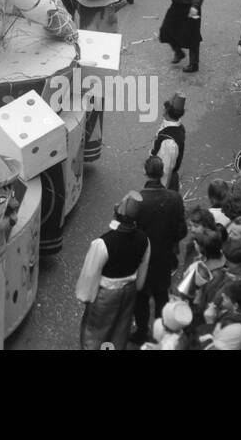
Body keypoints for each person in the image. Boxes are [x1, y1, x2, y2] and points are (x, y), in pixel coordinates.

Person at [75, 192, 150, 350]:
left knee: (95, 334)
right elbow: (143, 268)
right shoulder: (144, 239)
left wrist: (85, 296)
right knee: (120, 331)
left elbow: (89, 275)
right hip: (129, 291)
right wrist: (136, 287)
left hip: (106, 295)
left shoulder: (102, 243)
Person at [132, 157, 186, 345]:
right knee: (162, 294)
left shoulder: (138, 199)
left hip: (142, 258)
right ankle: (160, 332)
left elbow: (132, 232)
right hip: (165, 256)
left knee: (141, 297)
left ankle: (141, 331)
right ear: (163, 172)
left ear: (145, 172)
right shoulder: (175, 198)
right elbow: (182, 230)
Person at [149, 0, 204, 72]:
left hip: (190, 8)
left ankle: (194, 64)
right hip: (176, 6)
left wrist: (195, 7)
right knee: (166, 30)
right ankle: (178, 52)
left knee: (192, 37)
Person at [150, 93, 188, 191]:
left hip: (162, 182)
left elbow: (166, 171)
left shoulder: (169, 143)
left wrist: (161, 191)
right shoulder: (175, 126)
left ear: (167, 111)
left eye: (165, 107)